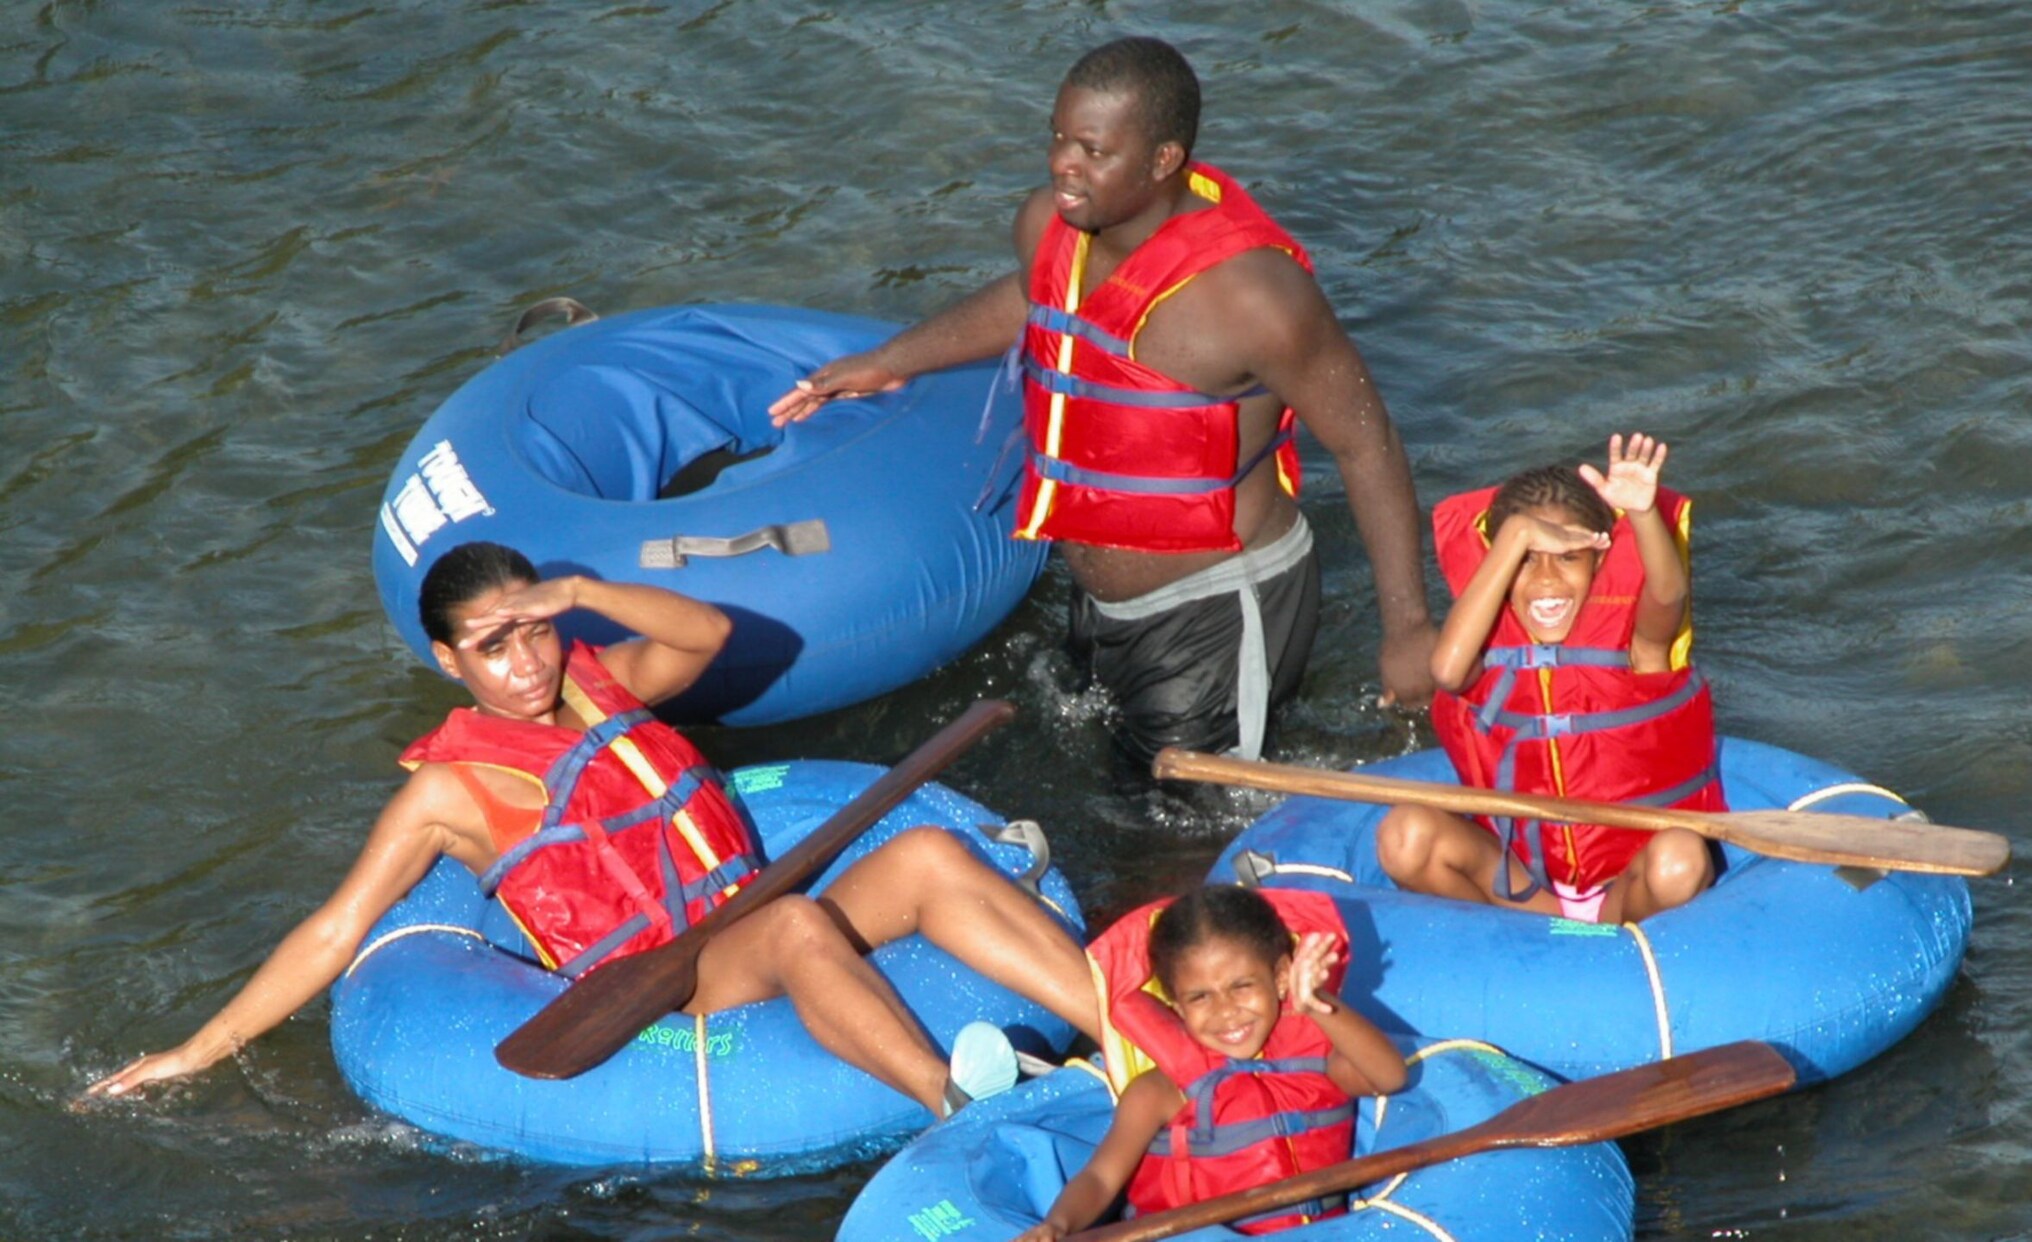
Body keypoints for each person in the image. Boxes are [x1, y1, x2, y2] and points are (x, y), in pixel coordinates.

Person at [88, 542, 1099, 1117]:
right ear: (449, 665)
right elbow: (335, 928)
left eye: (533, 629)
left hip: (748, 909)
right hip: (673, 980)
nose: (524, 664)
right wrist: (197, 1048)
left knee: (921, 854)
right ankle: (959, 1110)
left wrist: (576, 594)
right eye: (492, 648)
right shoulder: (446, 796)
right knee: (797, 931)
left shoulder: (597, 680)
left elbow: (705, 635)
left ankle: (1126, 1031)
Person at [767, 36, 1436, 768]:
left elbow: (1366, 443)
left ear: (1163, 160)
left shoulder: (1255, 298)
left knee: (1189, 833)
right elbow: (1034, 301)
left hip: (1215, 607)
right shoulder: (1047, 224)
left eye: (1092, 149)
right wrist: (889, 361)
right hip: (1098, 600)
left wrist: (1406, 629)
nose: (1063, 163)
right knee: (1114, 792)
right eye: (1057, 137)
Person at [1376, 434, 1724, 924]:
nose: (1545, 581)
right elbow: (1446, 671)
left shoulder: (1639, 647)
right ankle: (1507, 950)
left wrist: (1643, 514)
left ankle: (1610, 960)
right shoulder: (1485, 644)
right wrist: (1517, 532)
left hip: (1626, 891)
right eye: (1525, 559)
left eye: (1566, 557)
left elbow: (1667, 595)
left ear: (1599, 560)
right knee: (1403, 835)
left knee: (1681, 859)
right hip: (1521, 885)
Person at [1015, 886, 1405, 1239]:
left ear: (1282, 977)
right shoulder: (1159, 1092)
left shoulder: (1319, 1063)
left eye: (1242, 986)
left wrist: (1319, 1005)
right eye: (1201, 997)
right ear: (1176, 1005)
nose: (1226, 1012)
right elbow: (1101, 1177)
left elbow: (1388, 1076)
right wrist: (1058, 1224)